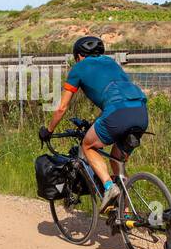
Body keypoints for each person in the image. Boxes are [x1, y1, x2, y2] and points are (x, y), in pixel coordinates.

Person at [39, 36, 149, 211]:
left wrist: (49, 130)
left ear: (80, 56)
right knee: (117, 161)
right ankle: (126, 212)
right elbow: (117, 94)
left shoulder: (79, 68)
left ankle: (108, 188)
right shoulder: (112, 64)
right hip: (141, 112)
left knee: (88, 145)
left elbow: (62, 108)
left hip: (116, 113)